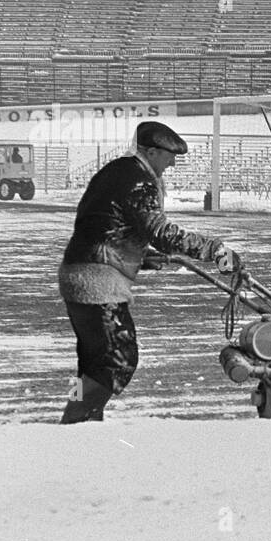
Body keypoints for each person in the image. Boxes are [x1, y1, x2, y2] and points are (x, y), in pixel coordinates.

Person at [57, 120, 241, 423]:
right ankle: (76, 418)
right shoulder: (139, 180)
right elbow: (161, 231)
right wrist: (213, 249)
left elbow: (102, 225)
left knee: (90, 362)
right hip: (97, 282)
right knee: (119, 358)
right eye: (169, 156)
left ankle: (78, 414)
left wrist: (140, 256)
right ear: (153, 152)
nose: (171, 163)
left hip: (76, 274)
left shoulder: (115, 171)